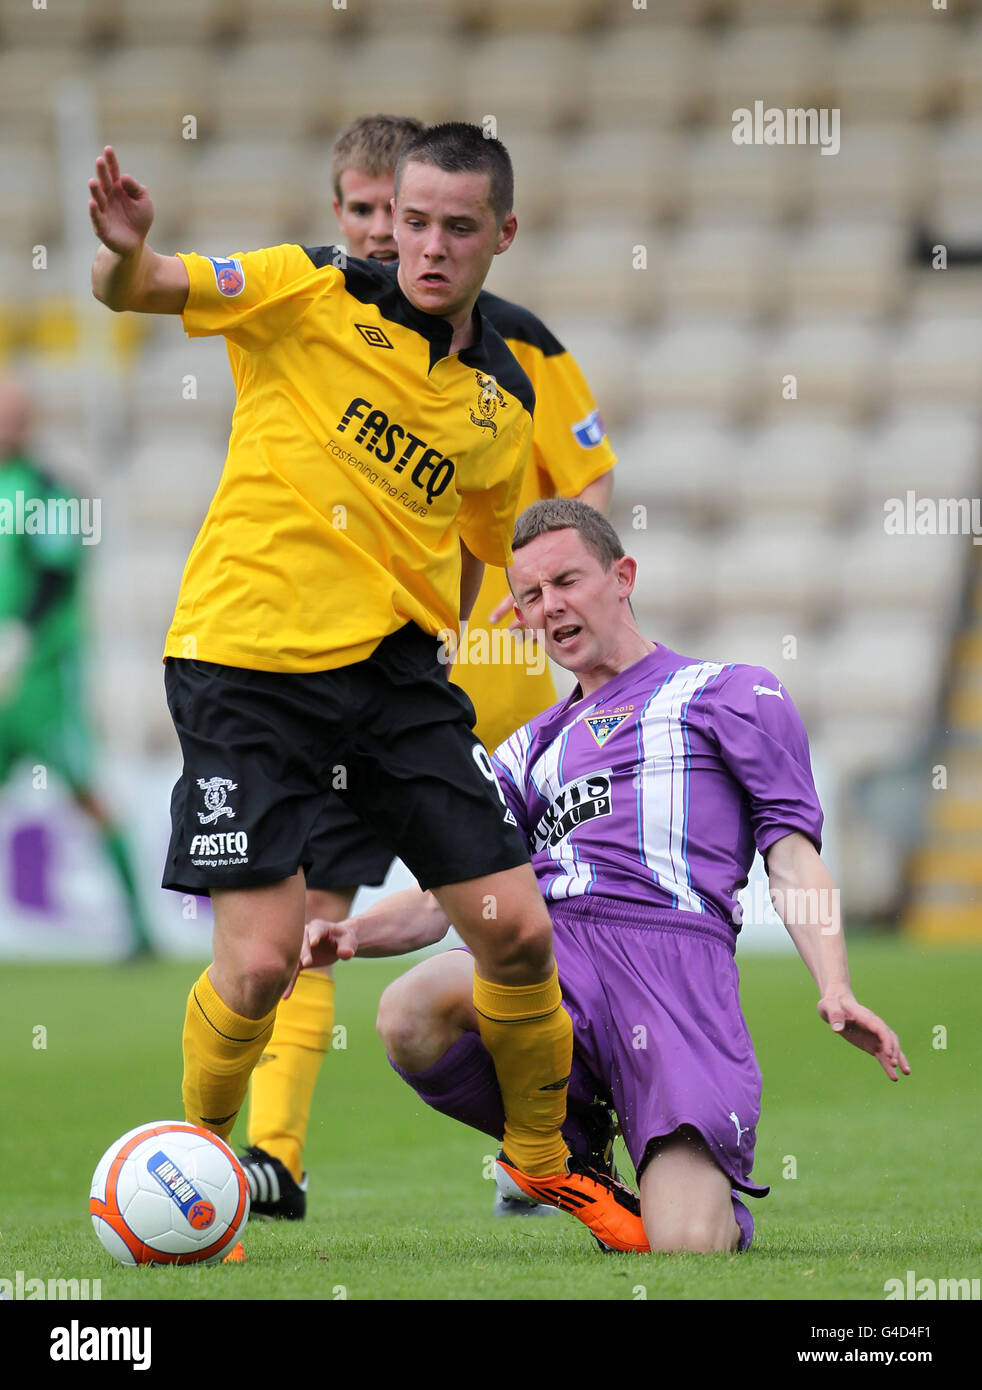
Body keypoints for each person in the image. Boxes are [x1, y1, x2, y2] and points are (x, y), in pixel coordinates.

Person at [87, 125, 647, 1254]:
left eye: (454, 227)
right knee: (255, 965)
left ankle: (543, 1163)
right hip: (244, 664)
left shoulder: (500, 396)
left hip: (394, 678)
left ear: (502, 234)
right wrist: (121, 252)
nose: (424, 246)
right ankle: (198, 1162)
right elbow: (138, 287)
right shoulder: (303, 288)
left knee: (517, 930)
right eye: (410, 219)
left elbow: (490, 536)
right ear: (384, 211)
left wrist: (548, 594)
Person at [301, 499, 911, 1252]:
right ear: (519, 617)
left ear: (622, 577)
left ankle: (655, 1180)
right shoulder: (525, 753)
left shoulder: (731, 693)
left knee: (689, 1248)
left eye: (566, 580)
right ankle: (572, 1150)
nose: (550, 604)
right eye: (530, 595)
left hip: (679, 974)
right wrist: (353, 931)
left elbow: (789, 856)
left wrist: (836, 984)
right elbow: (450, 898)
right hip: (559, 956)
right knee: (409, 1012)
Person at [240, 114, 617, 1221]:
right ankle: (274, 1155)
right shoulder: (324, 332)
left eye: (389, 214)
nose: (377, 235)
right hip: (363, 681)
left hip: (489, 685)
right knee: (318, 903)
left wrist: (541, 574)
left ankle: (547, 1136)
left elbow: (585, 483)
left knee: (530, 924)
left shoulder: (518, 355)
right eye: (361, 214)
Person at [0, 375, 154, 957]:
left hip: (42, 677)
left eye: (12, 415)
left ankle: (139, 928)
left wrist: (16, 637)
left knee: (83, 788)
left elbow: (56, 572)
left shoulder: (49, 491)